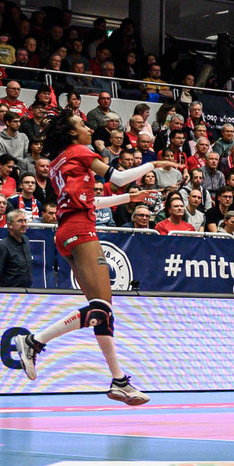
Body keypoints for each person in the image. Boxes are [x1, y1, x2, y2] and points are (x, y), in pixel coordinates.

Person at [19, 110, 159, 404]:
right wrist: (152, 163)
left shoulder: (59, 162)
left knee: (101, 313)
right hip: (81, 229)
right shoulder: (80, 151)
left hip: (65, 232)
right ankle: (34, 341)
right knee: (100, 308)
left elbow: (89, 199)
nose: (87, 128)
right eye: (82, 124)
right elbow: (119, 177)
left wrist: (128, 199)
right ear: (73, 134)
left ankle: (119, 381)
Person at [0, 207, 32, 288]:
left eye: (25, 221)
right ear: (10, 225)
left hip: (26, 292)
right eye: (20, 221)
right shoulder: (2, 247)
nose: (24, 224)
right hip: (9, 295)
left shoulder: (26, 240)